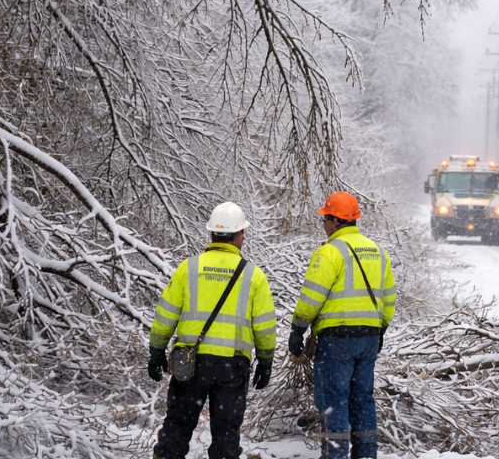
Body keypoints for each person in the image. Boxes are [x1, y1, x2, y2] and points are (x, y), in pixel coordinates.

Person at [148, 202, 277, 459]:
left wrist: (156, 351)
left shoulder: (189, 268)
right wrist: (265, 362)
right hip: (233, 367)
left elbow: (165, 315)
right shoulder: (253, 275)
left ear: (211, 234)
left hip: (190, 365)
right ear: (240, 235)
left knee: (177, 428)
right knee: (226, 436)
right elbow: (264, 325)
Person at [289, 191, 397, 459]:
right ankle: (366, 454)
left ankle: (335, 455)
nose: (323, 225)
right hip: (370, 338)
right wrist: (380, 329)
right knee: (363, 399)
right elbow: (390, 299)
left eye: (325, 219)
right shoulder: (379, 253)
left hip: (337, 339)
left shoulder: (329, 253)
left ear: (336, 221)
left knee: (332, 399)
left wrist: (298, 329)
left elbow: (311, 298)